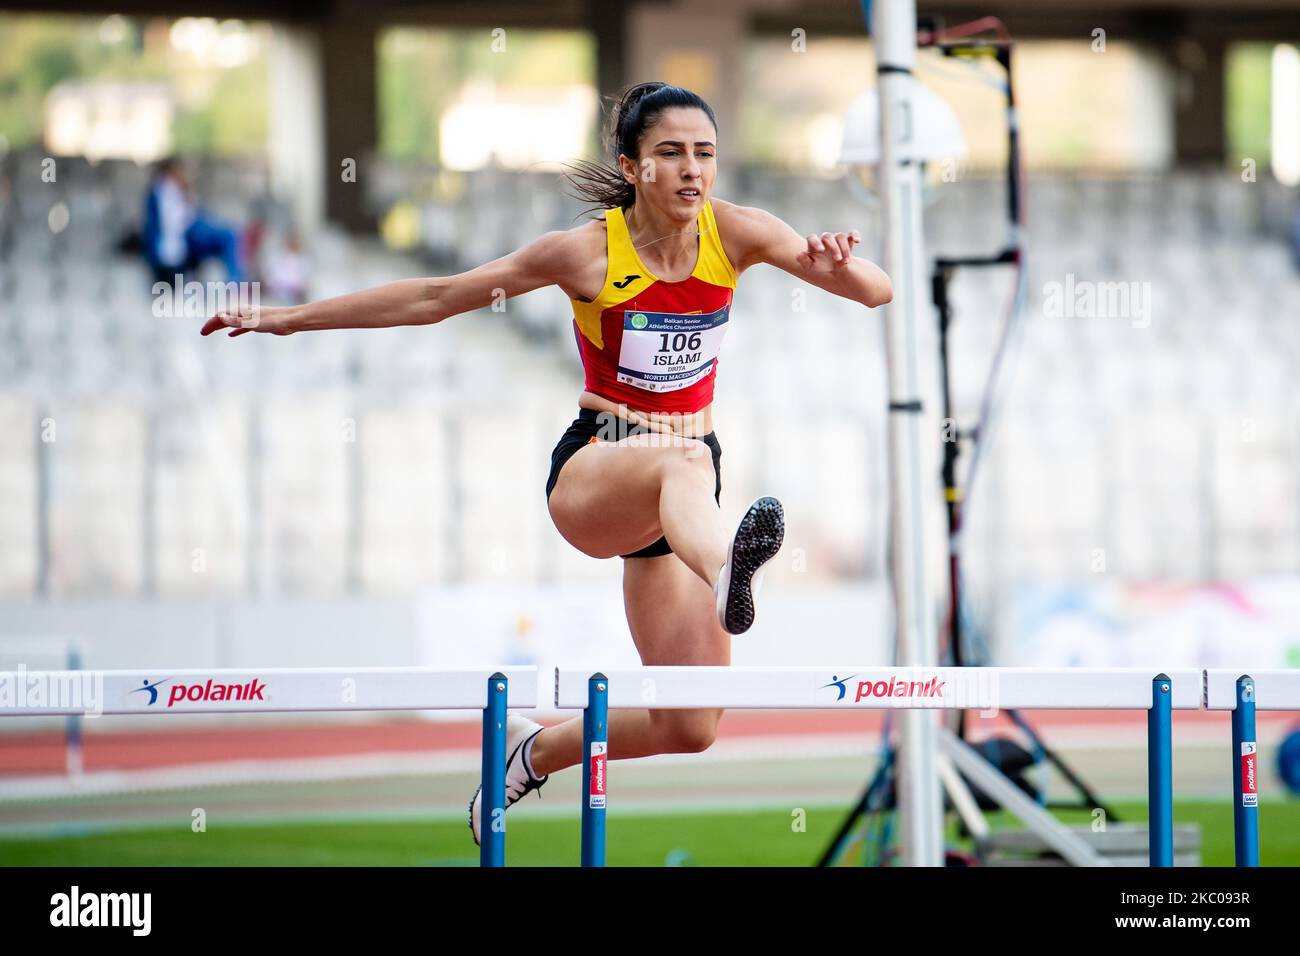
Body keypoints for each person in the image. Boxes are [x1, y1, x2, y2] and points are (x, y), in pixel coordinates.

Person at [201, 82, 892, 846]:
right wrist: (291, 318)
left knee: (690, 723)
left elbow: (876, 292)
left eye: (705, 154)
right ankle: (729, 569)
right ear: (633, 168)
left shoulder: (739, 233)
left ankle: (535, 751)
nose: (693, 170)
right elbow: (436, 296)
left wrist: (839, 263)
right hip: (602, 466)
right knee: (683, 459)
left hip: (682, 502)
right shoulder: (587, 252)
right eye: (671, 154)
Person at [142, 157, 246, 285]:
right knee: (229, 236)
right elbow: (174, 224)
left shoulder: (176, 190)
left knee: (229, 235)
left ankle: (235, 279)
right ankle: (235, 282)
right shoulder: (164, 190)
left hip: (188, 235)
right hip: (184, 238)